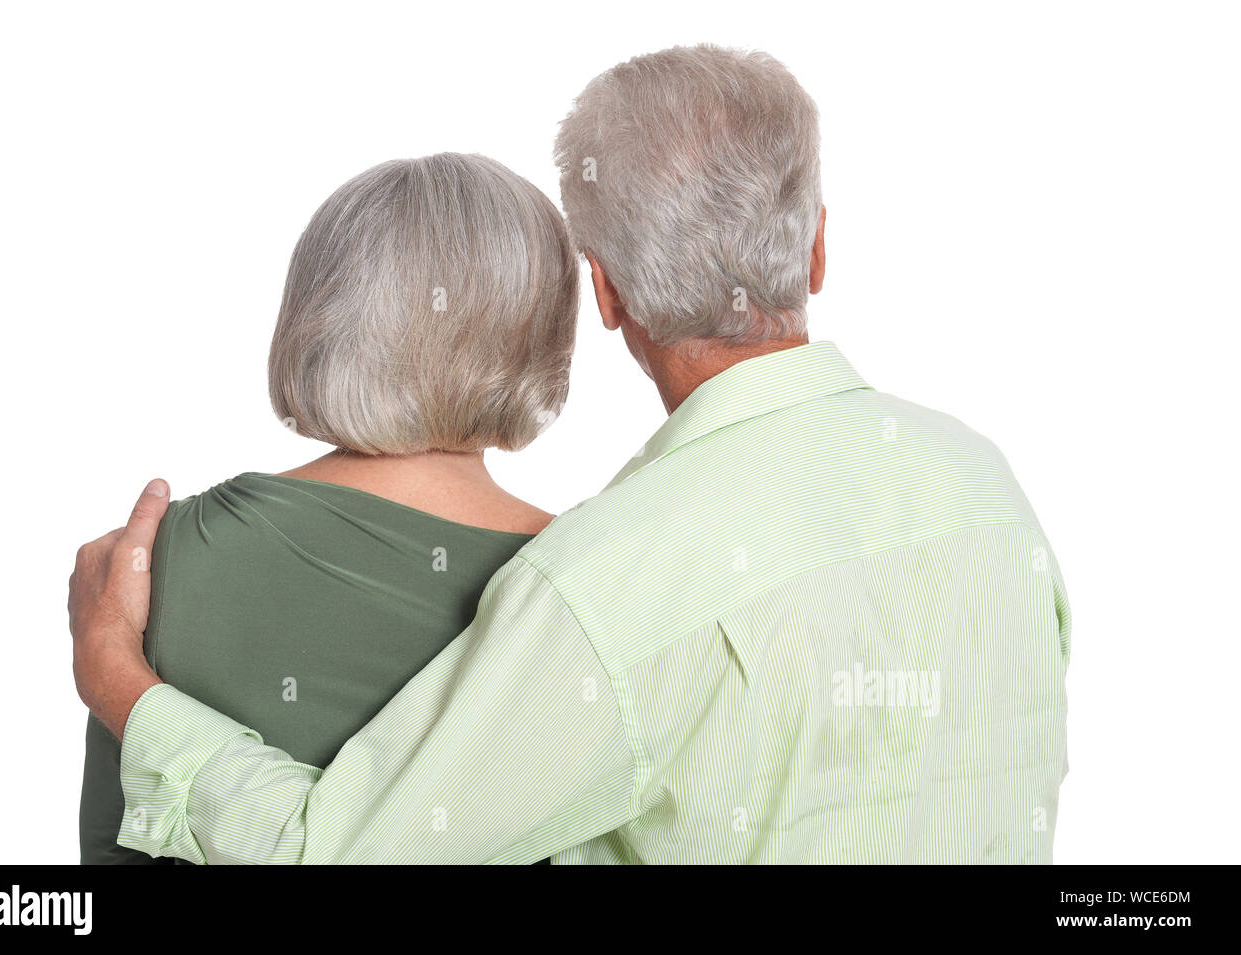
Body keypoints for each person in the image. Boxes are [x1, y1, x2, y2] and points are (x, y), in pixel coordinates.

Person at [70, 45, 1070, 864]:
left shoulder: (605, 586)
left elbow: (330, 856)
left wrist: (117, 674)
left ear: (605, 294)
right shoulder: (989, 495)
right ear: (815, 248)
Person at [76, 153, 576, 862]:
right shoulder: (592, 577)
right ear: (542, 331)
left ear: (315, 313)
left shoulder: (160, 559)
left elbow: (110, 847)